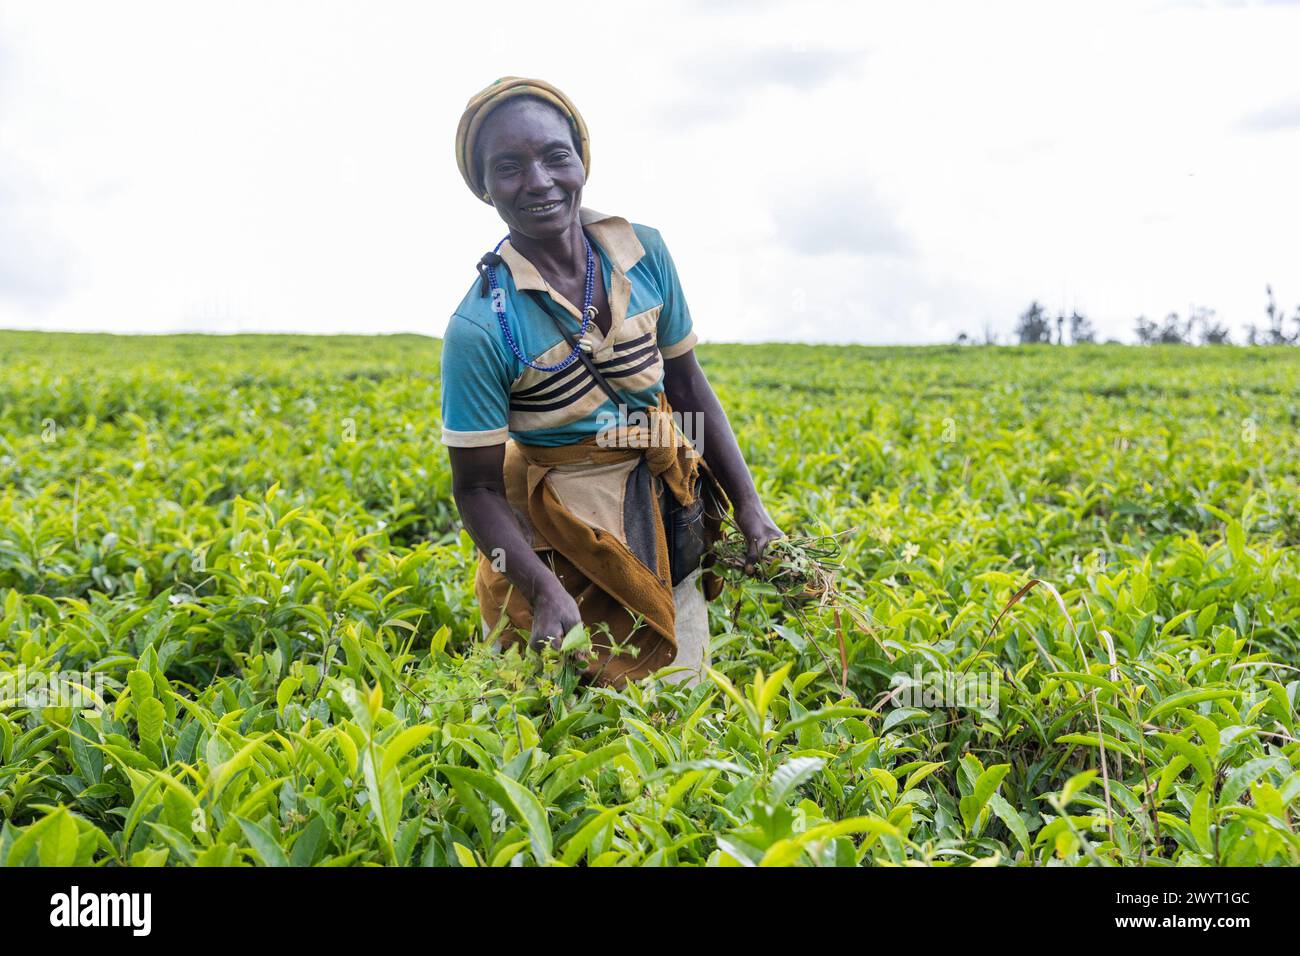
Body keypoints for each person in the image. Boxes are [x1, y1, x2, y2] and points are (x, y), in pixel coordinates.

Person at [442, 76, 781, 687]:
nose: (539, 181)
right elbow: (477, 490)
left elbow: (688, 389)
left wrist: (750, 507)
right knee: (566, 728)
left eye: (555, 156)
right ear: (485, 188)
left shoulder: (644, 253)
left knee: (679, 713)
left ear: (581, 159)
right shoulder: (479, 327)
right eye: (510, 167)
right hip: (561, 545)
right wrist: (541, 589)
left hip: (664, 511)